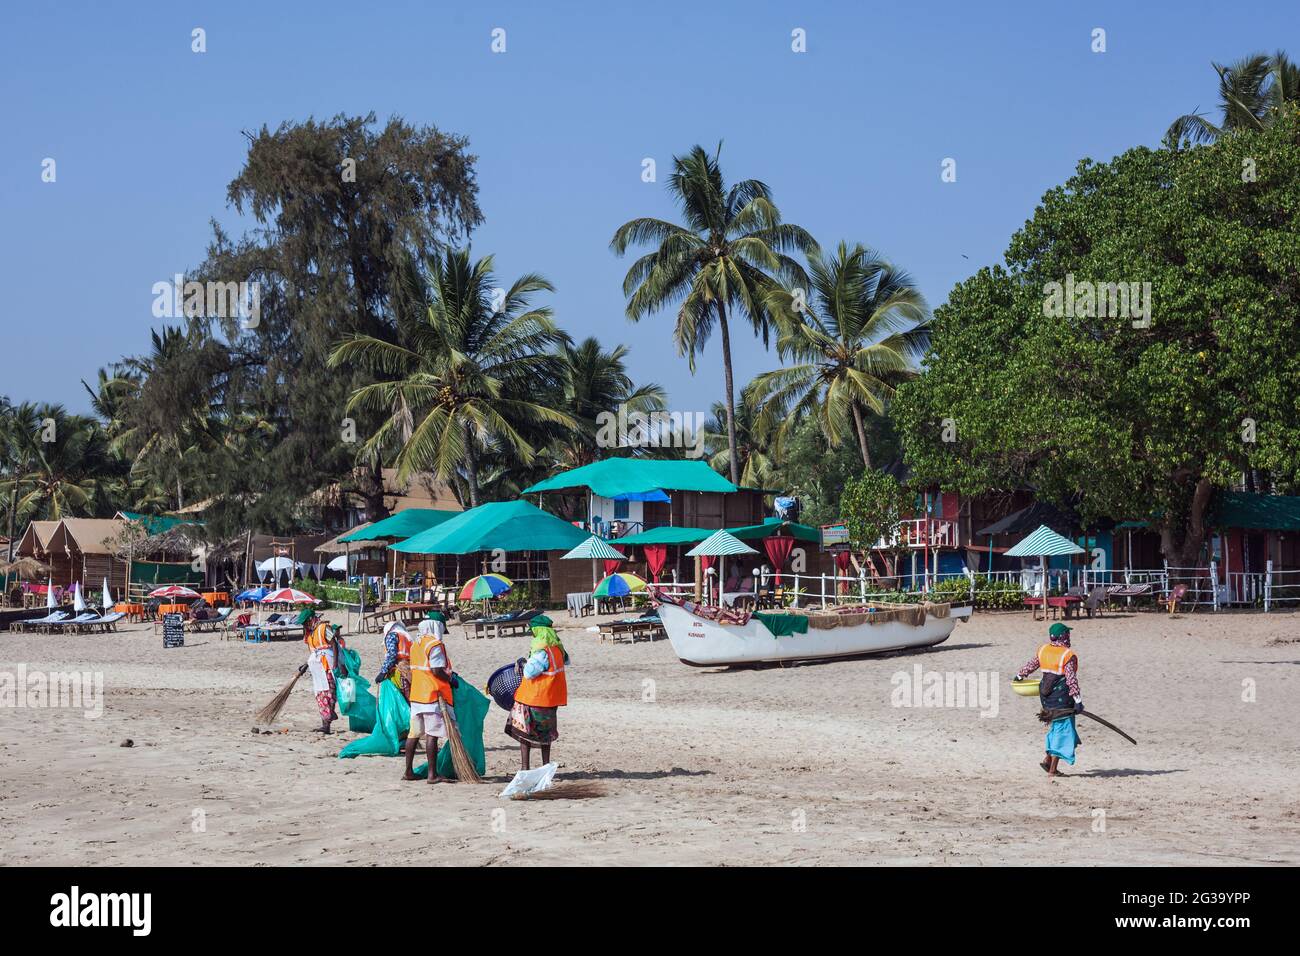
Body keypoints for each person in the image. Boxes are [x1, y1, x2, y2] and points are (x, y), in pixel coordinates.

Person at [1015, 622, 1083, 777]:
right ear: (1063, 636)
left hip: (1046, 698)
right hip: (1062, 699)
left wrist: (1020, 675)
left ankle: (1047, 760)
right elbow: (1071, 680)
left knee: (1056, 729)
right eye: (1067, 634)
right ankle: (1052, 770)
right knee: (1064, 732)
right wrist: (1078, 700)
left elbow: (1032, 664)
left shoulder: (1044, 650)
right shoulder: (1067, 655)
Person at [507, 615, 568, 770]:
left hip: (533, 698)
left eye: (533, 631)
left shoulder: (541, 651)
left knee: (524, 733)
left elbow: (529, 673)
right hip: (551, 699)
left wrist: (523, 663)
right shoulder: (557, 649)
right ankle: (545, 766)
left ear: (538, 631)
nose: (532, 634)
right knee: (546, 736)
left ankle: (525, 768)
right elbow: (564, 662)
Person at [404, 611, 457, 783]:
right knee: (432, 734)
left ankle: (408, 771)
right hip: (432, 695)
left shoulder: (415, 644)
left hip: (416, 694)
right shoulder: (434, 645)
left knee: (414, 733)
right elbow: (436, 670)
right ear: (437, 626)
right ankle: (432, 774)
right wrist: (450, 678)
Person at [299, 614, 346, 734]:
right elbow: (315, 652)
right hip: (317, 669)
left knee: (329, 694)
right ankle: (326, 722)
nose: (304, 626)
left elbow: (334, 644)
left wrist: (335, 664)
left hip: (328, 667)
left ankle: (327, 722)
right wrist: (305, 665)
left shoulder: (324, 628)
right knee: (320, 695)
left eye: (305, 623)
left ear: (311, 619)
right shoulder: (309, 635)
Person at [374, 620, 412, 701]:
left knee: (402, 697)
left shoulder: (392, 635)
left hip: (400, 670)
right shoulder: (406, 636)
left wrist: (383, 671)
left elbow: (392, 654)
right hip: (410, 668)